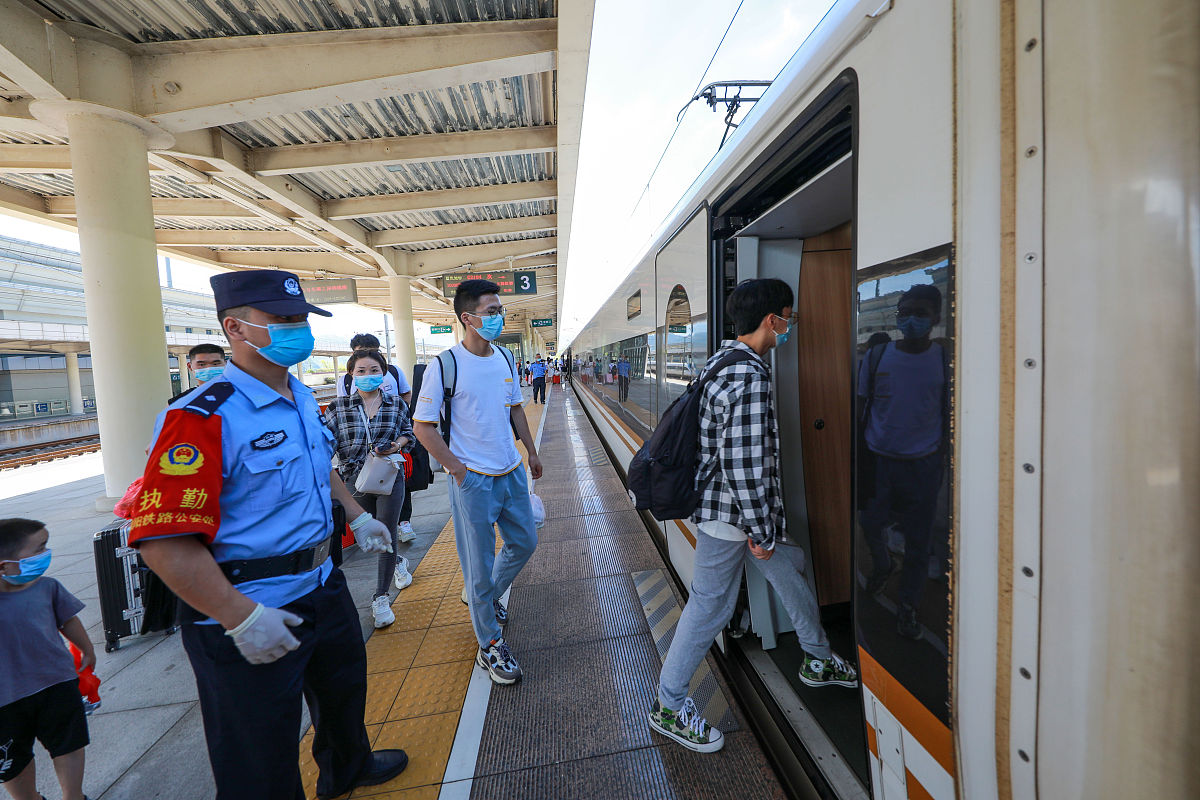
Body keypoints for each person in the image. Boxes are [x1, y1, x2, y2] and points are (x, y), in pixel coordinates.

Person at [129, 270, 408, 800]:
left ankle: (347, 769)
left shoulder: (300, 396)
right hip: (247, 606)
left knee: (344, 692)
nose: (297, 330)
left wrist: (355, 514)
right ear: (235, 328)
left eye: (301, 318)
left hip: (322, 586)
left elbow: (316, 465)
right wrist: (240, 617)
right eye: (282, 320)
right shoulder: (199, 417)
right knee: (257, 752)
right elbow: (162, 540)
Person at [648, 278, 858, 755]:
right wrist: (761, 532)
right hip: (733, 519)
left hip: (737, 513)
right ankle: (668, 705)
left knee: (790, 568)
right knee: (711, 605)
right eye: (790, 317)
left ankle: (818, 657)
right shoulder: (747, 376)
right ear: (772, 320)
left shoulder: (722, 361)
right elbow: (743, 465)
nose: (790, 327)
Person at [412, 280, 542, 686]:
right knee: (478, 566)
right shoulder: (445, 365)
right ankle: (489, 642)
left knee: (525, 542)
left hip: (511, 472)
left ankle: (482, 597)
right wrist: (458, 471)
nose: (498, 317)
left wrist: (531, 451)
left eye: (499, 309)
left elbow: (516, 407)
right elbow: (423, 428)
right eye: (491, 311)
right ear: (467, 318)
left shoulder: (504, 357)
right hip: (474, 480)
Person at [858, 284, 949, 640]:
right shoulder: (878, 357)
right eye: (904, 313)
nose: (910, 320)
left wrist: (940, 458)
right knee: (870, 523)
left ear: (936, 319)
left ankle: (908, 606)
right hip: (879, 461)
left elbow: (947, 412)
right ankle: (882, 563)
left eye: (920, 314)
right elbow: (861, 405)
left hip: (923, 466)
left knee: (918, 543)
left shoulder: (943, 360)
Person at [0, 518, 94, 800]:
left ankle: (72, 795)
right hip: (6, 700)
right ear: (4, 565)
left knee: (69, 743)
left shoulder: (47, 587)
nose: (46, 554)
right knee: (12, 760)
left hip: (56, 682)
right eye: (39, 549)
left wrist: (87, 648)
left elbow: (68, 620)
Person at [325, 350, 415, 628]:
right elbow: (324, 445)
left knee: (386, 532)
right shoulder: (337, 408)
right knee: (372, 535)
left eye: (374, 370)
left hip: (389, 474)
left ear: (383, 373)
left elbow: (408, 434)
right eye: (361, 371)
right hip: (354, 480)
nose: (367, 376)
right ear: (351, 374)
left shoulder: (396, 404)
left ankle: (381, 597)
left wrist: (395, 446)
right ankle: (396, 559)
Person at [335, 333, 412, 405]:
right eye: (362, 353)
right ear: (353, 354)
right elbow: (343, 405)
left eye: (373, 352)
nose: (368, 356)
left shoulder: (394, 371)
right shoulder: (345, 381)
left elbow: (406, 394)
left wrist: (398, 411)